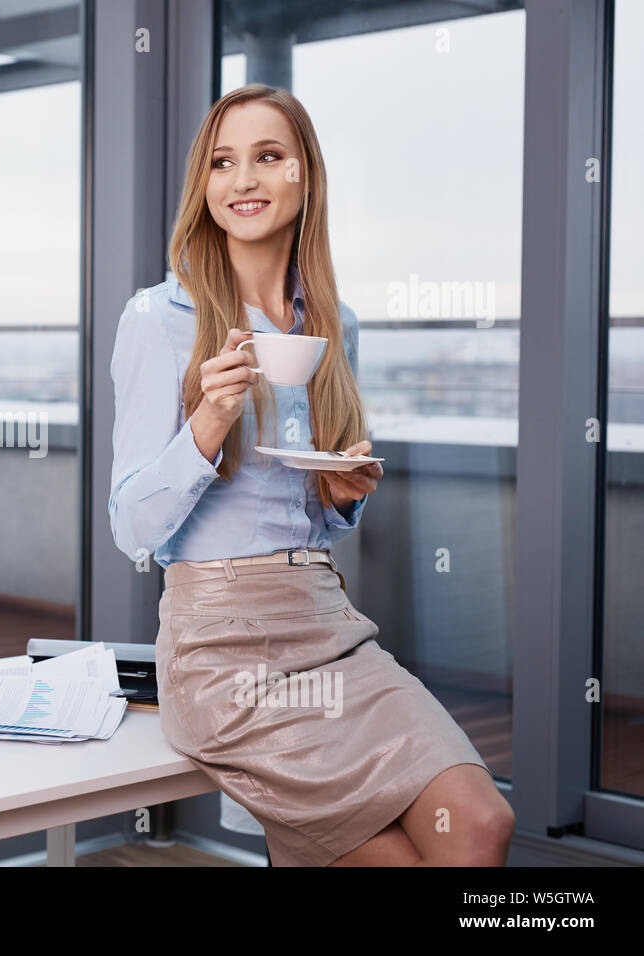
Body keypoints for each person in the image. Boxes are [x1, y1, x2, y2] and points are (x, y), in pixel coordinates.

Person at [108, 84, 515, 866]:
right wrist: (209, 422)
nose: (243, 180)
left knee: (482, 822)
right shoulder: (159, 319)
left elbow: (310, 509)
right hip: (219, 646)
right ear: (205, 186)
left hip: (327, 622)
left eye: (268, 157)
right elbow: (130, 525)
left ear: (304, 178)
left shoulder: (334, 323)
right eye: (223, 162)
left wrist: (341, 495)